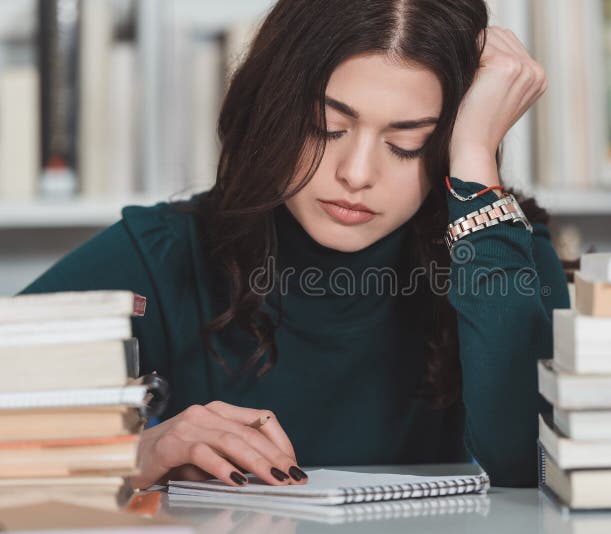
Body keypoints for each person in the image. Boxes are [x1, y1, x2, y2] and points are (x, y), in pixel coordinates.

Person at [19, 0, 569, 489]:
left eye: (408, 144)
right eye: (325, 127)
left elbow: (528, 466)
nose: (356, 174)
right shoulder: (164, 252)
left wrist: (475, 158)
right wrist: (135, 454)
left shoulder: (498, 243)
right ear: (274, 109)